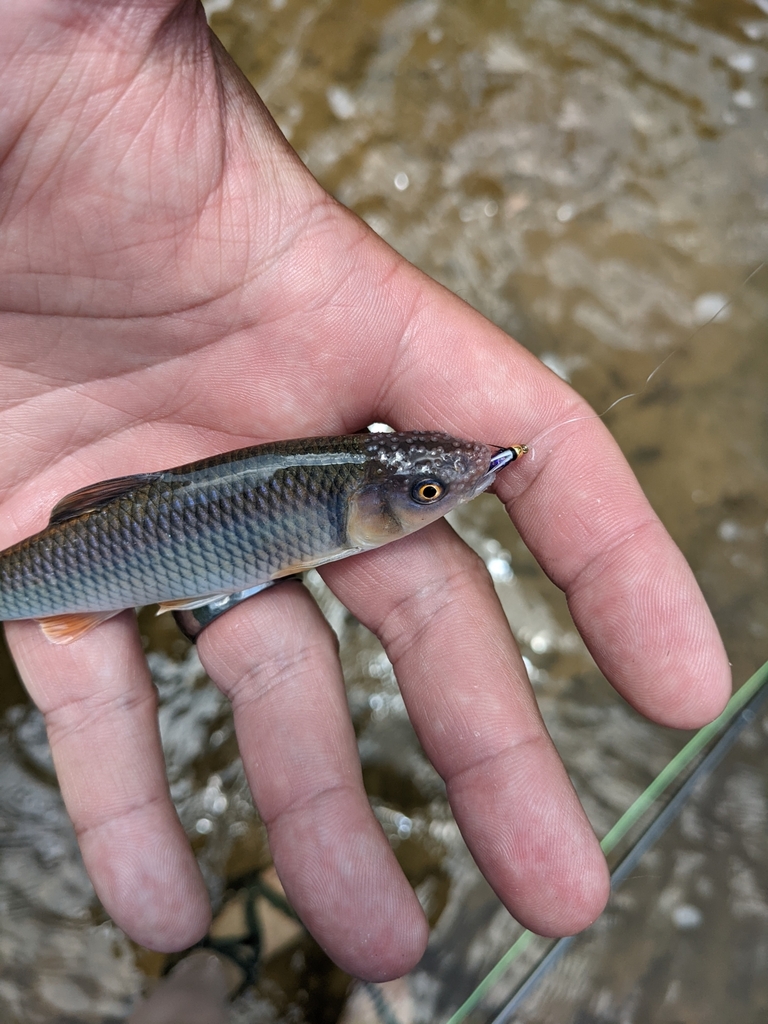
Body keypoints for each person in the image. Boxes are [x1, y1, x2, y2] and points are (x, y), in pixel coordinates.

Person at [0, 0, 730, 983]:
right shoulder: (322, 514)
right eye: (428, 488)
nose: (448, 492)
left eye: (429, 482)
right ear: (367, 507)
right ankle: (236, 967)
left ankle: (215, 972)